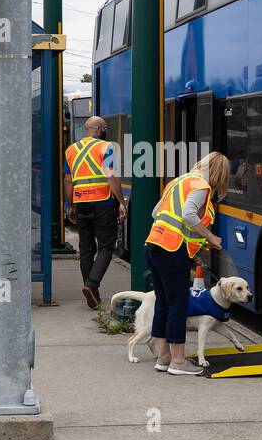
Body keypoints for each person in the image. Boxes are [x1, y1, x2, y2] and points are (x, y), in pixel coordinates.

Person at [144, 151, 229, 376]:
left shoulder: (178, 181)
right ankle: (179, 361)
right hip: (172, 250)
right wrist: (210, 237)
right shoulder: (201, 186)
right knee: (178, 304)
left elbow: (156, 212)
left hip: (154, 245)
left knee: (164, 303)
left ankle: (163, 358)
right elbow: (189, 215)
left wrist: (195, 240)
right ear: (219, 173)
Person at [64, 116, 126, 309]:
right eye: (105, 128)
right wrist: (121, 202)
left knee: (86, 249)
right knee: (107, 247)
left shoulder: (71, 150)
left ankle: (92, 294)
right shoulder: (107, 148)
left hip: (81, 202)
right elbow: (111, 176)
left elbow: (68, 180)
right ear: (99, 129)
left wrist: (71, 205)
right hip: (103, 202)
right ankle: (92, 285)